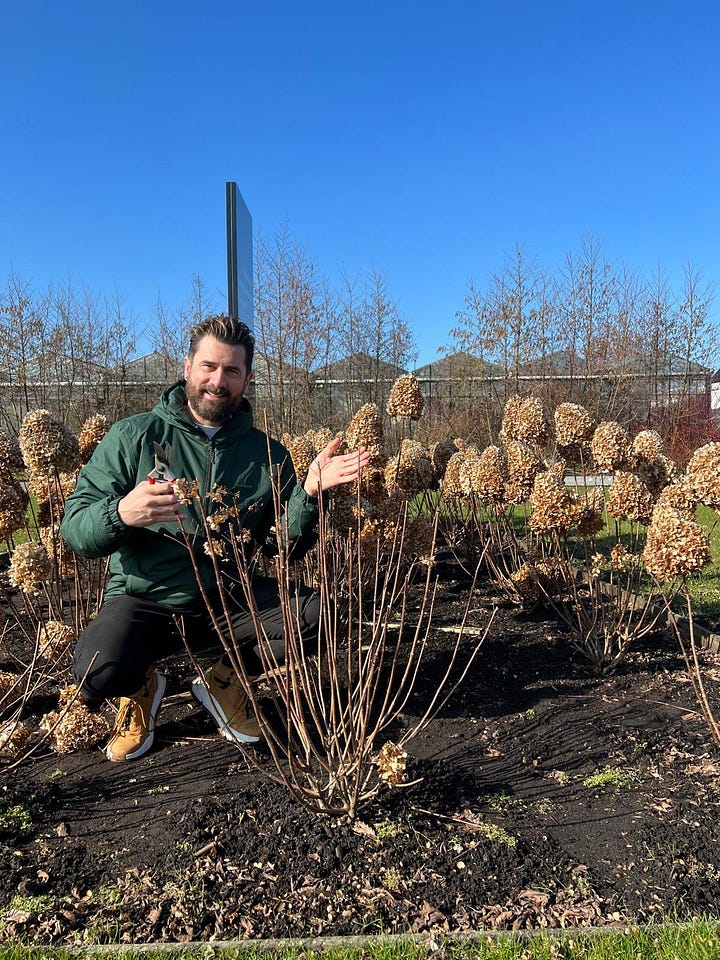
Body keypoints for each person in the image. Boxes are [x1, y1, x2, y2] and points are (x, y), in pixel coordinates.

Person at [60, 315, 369, 762]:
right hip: (145, 597)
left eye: (231, 371)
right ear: (187, 367)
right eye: (208, 366)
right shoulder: (135, 436)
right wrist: (121, 513)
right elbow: (76, 529)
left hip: (226, 597)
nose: (217, 381)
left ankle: (225, 680)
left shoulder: (266, 453)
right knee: (98, 670)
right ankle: (141, 688)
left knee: (323, 614)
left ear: (247, 379)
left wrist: (308, 494)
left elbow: (282, 547)